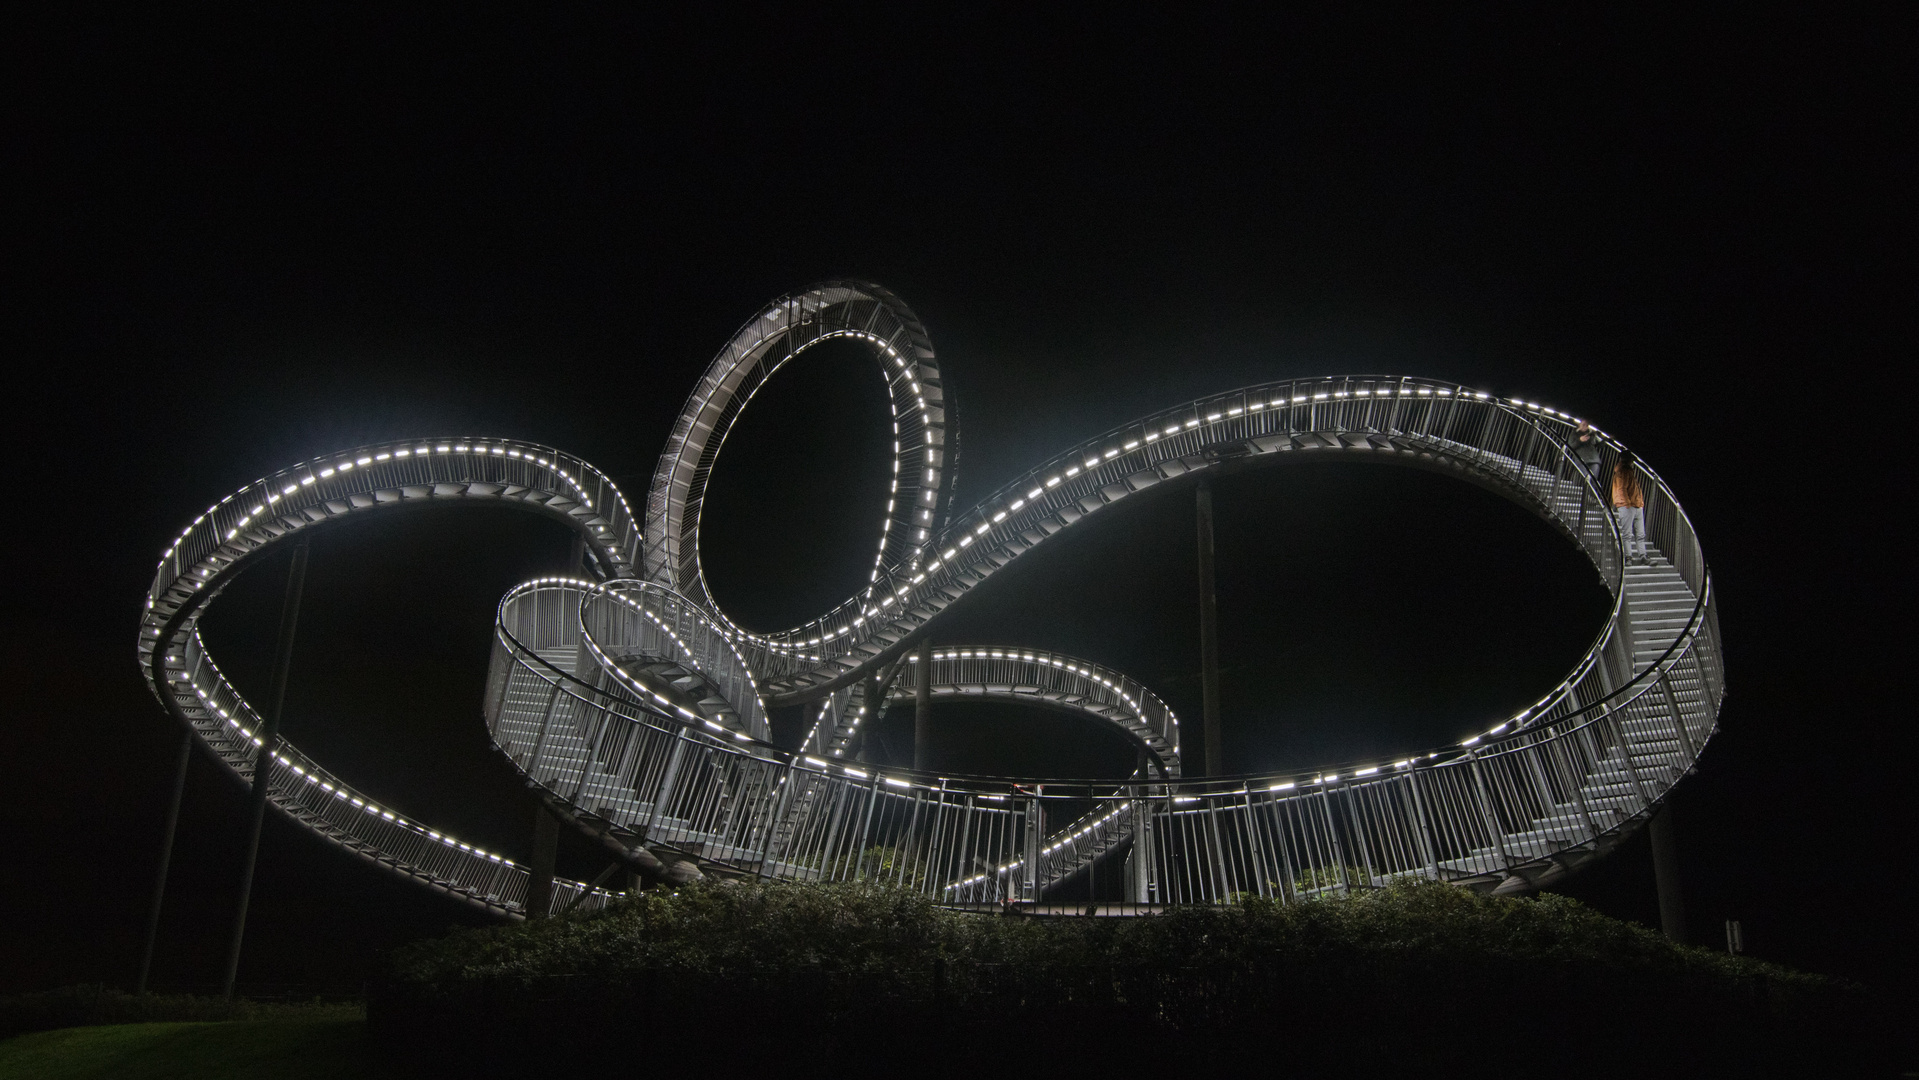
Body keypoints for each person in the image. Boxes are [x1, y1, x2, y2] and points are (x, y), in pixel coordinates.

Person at [1610, 450, 1649, 563]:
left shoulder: (1626, 470)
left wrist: (1639, 502)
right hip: (1629, 505)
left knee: (1638, 534)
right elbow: (1622, 489)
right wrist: (1627, 503)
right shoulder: (1623, 471)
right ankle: (1630, 557)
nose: (1632, 462)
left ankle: (1640, 556)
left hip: (1635, 505)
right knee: (1630, 534)